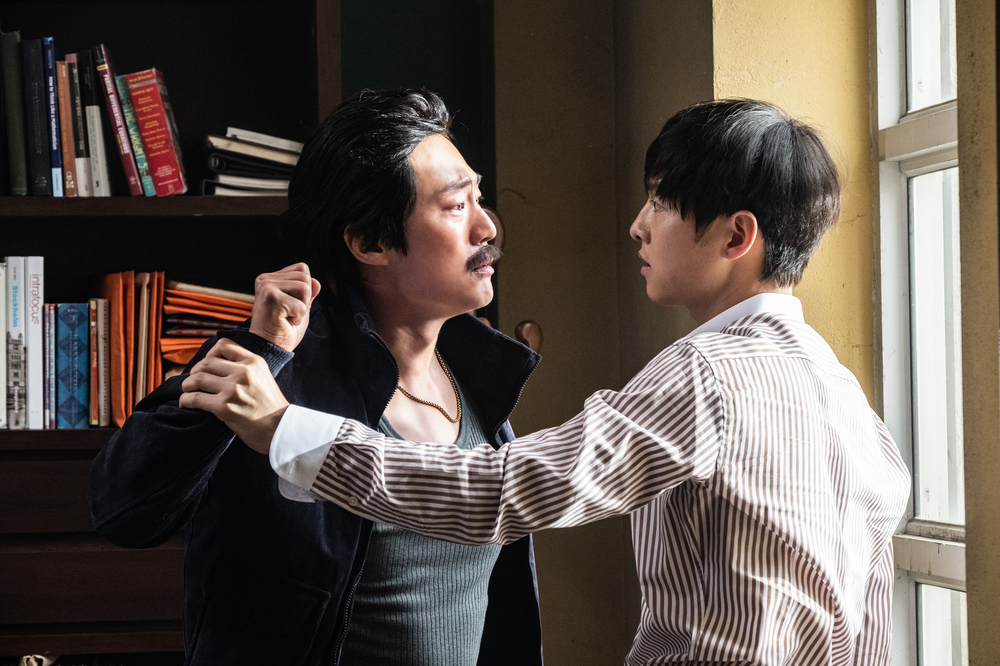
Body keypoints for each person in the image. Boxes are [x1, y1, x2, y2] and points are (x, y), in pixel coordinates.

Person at [181, 99, 911, 665]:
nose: (638, 225)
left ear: (736, 236)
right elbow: (871, 629)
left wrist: (283, 427)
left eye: (661, 202)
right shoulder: (849, 401)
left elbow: (501, 493)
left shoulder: (707, 375)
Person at [89, 88, 544, 666]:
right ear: (370, 242)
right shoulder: (274, 376)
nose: (487, 228)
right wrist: (260, 351)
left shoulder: (483, 381)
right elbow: (124, 510)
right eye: (456, 206)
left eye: (479, 198)